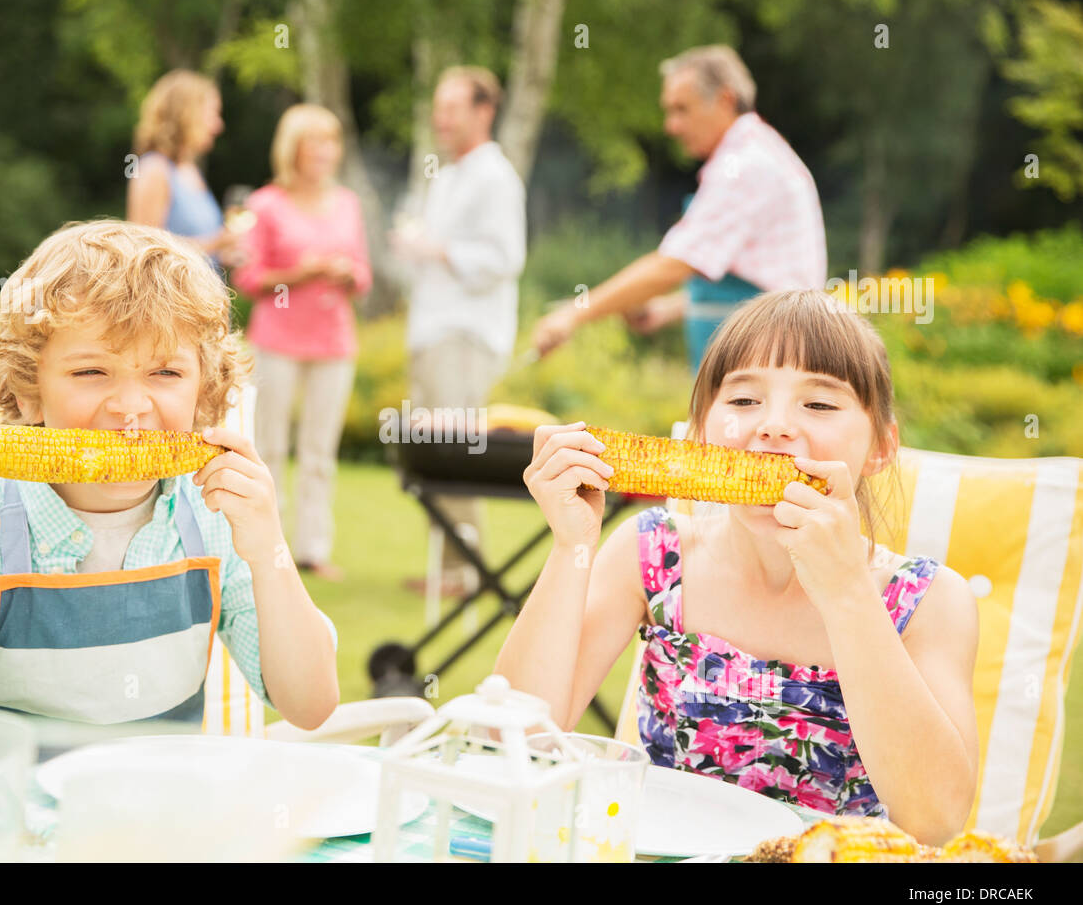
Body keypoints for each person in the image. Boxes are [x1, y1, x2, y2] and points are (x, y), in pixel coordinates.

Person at [496, 290, 979, 845]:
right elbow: (517, 739)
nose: (774, 426)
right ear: (701, 430)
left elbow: (936, 820)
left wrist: (847, 592)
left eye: (819, 404)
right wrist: (570, 547)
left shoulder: (929, 600)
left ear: (880, 447)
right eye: (744, 400)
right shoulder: (652, 554)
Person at [0, 220, 340, 730]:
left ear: (204, 392)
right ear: (28, 391)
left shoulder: (215, 520)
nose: (130, 407)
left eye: (165, 373)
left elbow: (310, 706)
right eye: (91, 372)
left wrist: (269, 550)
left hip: (157, 808)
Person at [532, 45, 826, 375]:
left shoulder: (744, 166)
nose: (671, 126)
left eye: (681, 109)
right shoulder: (752, 154)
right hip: (761, 355)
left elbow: (672, 266)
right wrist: (666, 310)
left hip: (767, 361)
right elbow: (753, 279)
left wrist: (572, 314)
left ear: (725, 100)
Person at [391, 65, 526, 596]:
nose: (440, 119)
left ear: (483, 111)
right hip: (430, 330)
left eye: (452, 108)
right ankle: (446, 569)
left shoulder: (496, 177)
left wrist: (436, 249)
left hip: (466, 335)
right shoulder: (446, 176)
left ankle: (464, 571)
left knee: (455, 449)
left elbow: (504, 259)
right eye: (438, 108)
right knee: (433, 454)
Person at [231, 105, 371, 581]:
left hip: (334, 343)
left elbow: (364, 274)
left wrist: (348, 274)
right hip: (277, 340)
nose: (325, 152)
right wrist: (302, 273)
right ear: (293, 149)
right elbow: (248, 277)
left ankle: (313, 550)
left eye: (331, 142)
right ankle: (267, 547)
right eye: (315, 142)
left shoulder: (348, 203)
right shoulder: (266, 205)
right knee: (269, 446)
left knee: (319, 453)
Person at [127, 70, 247, 270]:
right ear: (186, 115)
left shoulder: (190, 170)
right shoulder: (154, 170)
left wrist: (223, 256)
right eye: (212, 114)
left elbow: (196, 251)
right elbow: (143, 250)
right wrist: (217, 242)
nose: (219, 125)